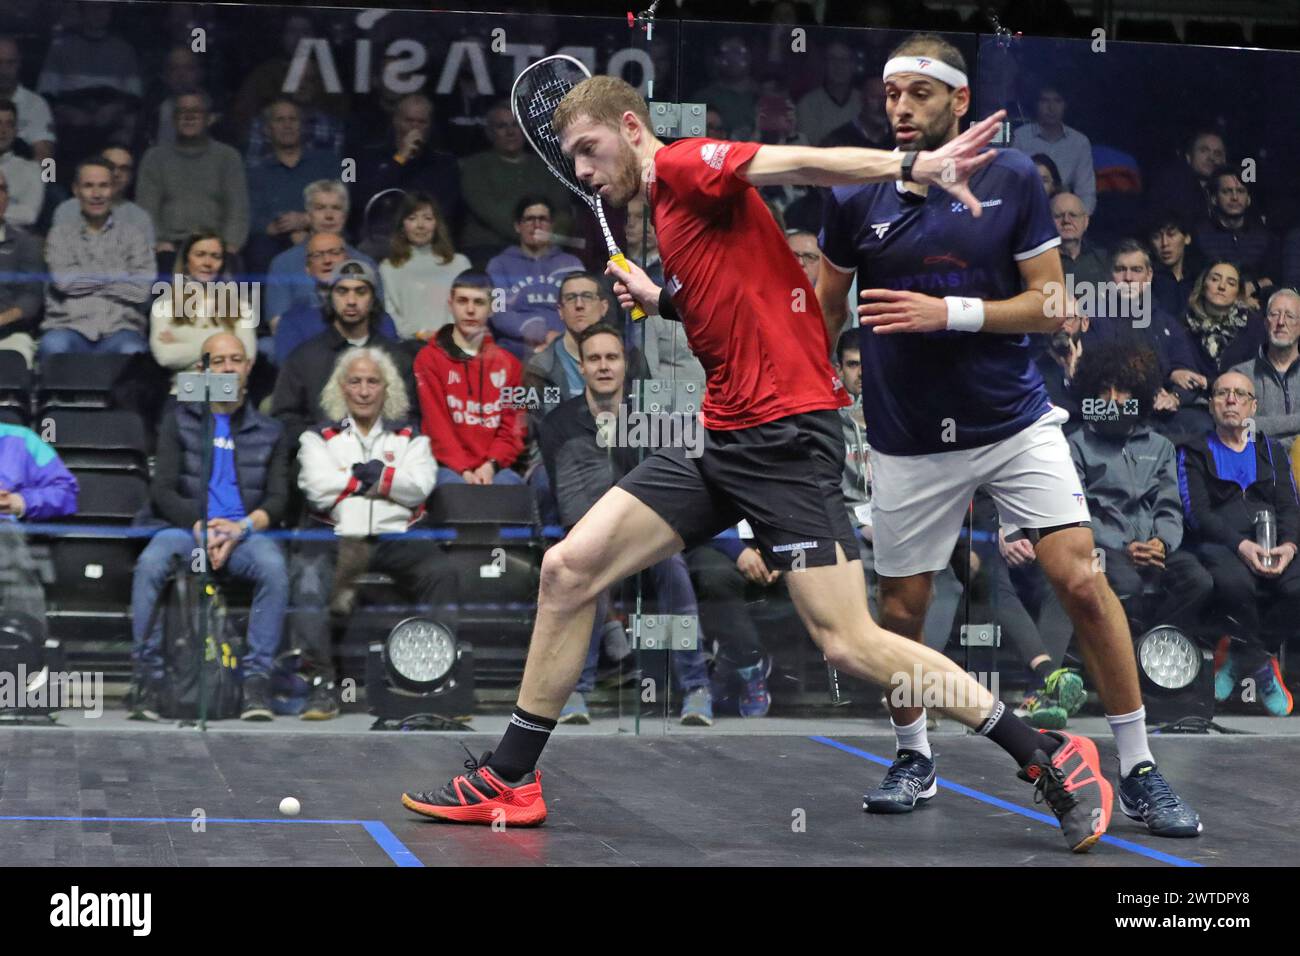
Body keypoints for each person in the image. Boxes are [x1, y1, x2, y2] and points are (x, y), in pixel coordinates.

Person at [401, 61, 1115, 852]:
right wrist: (664, 299)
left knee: (847, 641)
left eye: (589, 149)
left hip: (786, 438)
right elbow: (738, 297)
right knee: (569, 570)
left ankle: (1045, 753)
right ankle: (510, 777)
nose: (582, 170)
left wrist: (912, 165)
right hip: (724, 435)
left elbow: (796, 160)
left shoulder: (683, 164)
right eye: (570, 158)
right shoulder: (669, 208)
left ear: (631, 128)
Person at [815, 33, 1196, 836]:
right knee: (901, 612)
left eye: (920, 93)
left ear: (960, 101)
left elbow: (1051, 304)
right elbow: (825, 305)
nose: (901, 108)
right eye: (892, 94)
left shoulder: (1014, 176)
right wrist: (811, 391)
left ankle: (1138, 767)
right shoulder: (855, 191)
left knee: (1081, 579)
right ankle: (914, 755)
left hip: (1012, 420)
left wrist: (949, 313)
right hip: (906, 433)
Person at [541, 323, 715, 725]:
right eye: (594, 359)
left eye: (612, 358)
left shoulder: (650, 419)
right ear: (581, 367)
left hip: (644, 533)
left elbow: (669, 491)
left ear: (625, 364)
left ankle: (697, 688)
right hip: (586, 533)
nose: (604, 366)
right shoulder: (559, 424)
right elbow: (571, 502)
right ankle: (574, 690)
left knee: (672, 566)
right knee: (587, 570)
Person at [128, 332, 289, 722]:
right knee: (152, 562)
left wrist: (239, 530)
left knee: (274, 568)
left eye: (235, 359)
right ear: (202, 371)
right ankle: (148, 678)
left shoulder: (271, 431)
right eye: (218, 361)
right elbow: (163, 491)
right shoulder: (179, 421)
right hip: (187, 529)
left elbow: (278, 500)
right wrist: (200, 526)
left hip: (243, 534)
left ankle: (255, 683)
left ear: (249, 367)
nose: (228, 368)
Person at [291, 347, 450, 720]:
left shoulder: (410, 437)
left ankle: (434, 680)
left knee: (442, 573)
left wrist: (362, 479)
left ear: (386, 388)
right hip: (337, 535)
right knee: (308, 577)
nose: (364, 391)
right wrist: (380, 482)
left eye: (373, 382)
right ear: (342, 388)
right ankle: (321, 685)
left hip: (396, 535)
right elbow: (316, 488)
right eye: (355, 381)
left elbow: (420, 487)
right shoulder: (317, 437)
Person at [1068, 343, 1213, 639]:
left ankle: (1147, 648)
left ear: (1138, 395)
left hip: (1152, 546)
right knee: (1127, 585)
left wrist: (1162, 542)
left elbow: (1169, 506)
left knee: (1199, 581)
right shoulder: (1076, 445)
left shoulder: (1160, 447)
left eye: (1122, 390)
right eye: (1104, 390)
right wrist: (1123, 545)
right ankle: (1125, 654)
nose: (1113, 399)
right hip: (1103, 546)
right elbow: (1077, 513)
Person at [1178, 370, 1300, 717]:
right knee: (1236, 583)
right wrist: (1241, 546)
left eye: (1240, 394)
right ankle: (1262, 664)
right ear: (1211, 405)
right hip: (1221, 545)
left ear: (1253, 406)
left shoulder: (1272, 451)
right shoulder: (1194, 450)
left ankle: (1240, 653)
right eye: (1222, 393)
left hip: (1273, 544)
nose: (1231, 400)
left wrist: (1289, 546)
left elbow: (1290, 507)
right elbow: (1197, 513)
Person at [271, 259, 410, 448]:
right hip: (320, 455)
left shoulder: (396, 358)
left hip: (386, 456)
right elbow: (284, 418)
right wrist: (323, 442)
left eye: (361, 292)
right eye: (342, 291)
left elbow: (411, 417)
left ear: (373, 299)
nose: (351, 301)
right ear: (330, 297)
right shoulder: (303, 358)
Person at [413, 271, 525, 486]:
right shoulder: (428, 359)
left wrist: (491, 465)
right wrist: (463, 469)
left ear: (492, 307)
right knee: (453, 490)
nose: (470, 310)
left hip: (495, 467)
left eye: (479, 302)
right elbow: (436, 427)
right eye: (462, 301)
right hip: (446, 467)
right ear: (450, 304)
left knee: (512, 488)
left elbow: (514, 428)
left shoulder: (512, 364)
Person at [40, 157, 152, 359]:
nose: (97, 194)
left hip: (121, 330)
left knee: (133, 350)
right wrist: (117, 276)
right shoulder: (59, 235)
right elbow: (64, 283)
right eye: (88, 186)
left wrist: (85, 277)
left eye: (103, 186)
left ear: (114, 189)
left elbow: (141, 290)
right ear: (76, 190)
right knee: (53, 345)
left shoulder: (134, 236)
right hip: (68, 327)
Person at [136, 91, 249, 266]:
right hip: (170, 247)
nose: (188, 117)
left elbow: (237, 209)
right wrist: (158, 242)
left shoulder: (228, 157)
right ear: (174, 119)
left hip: (217, 245)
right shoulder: (154, 158)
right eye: (182, 111)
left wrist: (230, 244)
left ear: (209, 119)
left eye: (196, 111)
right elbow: (146, 209)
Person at [458, 100, 571, 266]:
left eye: (516, 125)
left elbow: (562, 212)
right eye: (501, 126)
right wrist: (533, 236)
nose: (510, 132)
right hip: (488, 249)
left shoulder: (546, 167)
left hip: (544, 249)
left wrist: (548, 239)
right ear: (489, 133)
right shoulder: (474, 166)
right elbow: (491, 213)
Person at [150, 231, 257, 393]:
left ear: (223, 264)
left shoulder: (241, 307)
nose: (208, 263)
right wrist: (226, 344)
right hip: (183, 393)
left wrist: (183, 344)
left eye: (215, 256)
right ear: (186, 261)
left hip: (229, 392)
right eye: (200, 255)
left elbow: (247, 356)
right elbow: (165, 357)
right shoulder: (163, 306)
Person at [263, 180, 379, 327]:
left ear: (344, 216)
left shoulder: (366, 264)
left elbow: (377, 318)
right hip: (301, 339)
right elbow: (278, 324)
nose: (329, 215)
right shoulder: (284, 263)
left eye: (336, 208)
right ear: (308, 215)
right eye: (320, 208)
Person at [271, 232, 399, 366]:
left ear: (347, 260)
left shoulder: (381, 320)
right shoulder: (292, 321)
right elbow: (290, 370)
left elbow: (392, 366)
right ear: (308, 268)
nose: (327, 260)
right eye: (317, 255)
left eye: (335, 253)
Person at [243, 98, 338, 274]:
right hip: (274, 243)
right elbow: (250, 215)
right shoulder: (255, 172)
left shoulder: (329, 162)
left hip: (323, 234)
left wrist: (308, 220)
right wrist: (275, 227)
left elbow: (344, 202)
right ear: (267, 130)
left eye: (293, 119)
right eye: (280, 120)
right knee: (259, 250)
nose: (287, 125)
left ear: (302, 126)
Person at [0, 418, 77, 632]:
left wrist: (20, 502)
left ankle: (23, 636)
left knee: (4, 536)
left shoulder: (21, 440)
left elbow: (65, 492)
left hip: (4, 532)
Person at [485, 196, 584, 360]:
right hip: (514, 352)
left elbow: (582, 310)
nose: (537, 225)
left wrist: (560, 338)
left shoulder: (571, 264)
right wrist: (535, 331)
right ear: (518, 226)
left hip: (564, 349)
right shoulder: (499, 265)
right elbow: (498, 312)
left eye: (543, 219)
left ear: (552, 225)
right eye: (529, 219)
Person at [378, 192, 470, 342]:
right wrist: (419, 334)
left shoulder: (459, 264)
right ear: (402, 225)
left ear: (437, 224)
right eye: (412, 218)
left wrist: (445, 335)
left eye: (427, 218)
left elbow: (467, 307)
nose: (420, 225)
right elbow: (390, 313)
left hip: (453, 343)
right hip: (409, 346)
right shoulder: (388, 268)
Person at [1229, 287, 1300, 451]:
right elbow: (1239, 427)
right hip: (1257, 462)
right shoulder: (1240, 375)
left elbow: (1252, 426)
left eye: (1290, 316)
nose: (1281, 322)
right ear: (1265, 322)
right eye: (1274, 314)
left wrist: (1262, 427)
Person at [1011, 81, 1095, 214]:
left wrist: (1080, 219)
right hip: (1029, 212)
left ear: (1065, 105)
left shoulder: (1079, 142)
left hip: (1065, 214)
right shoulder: (1020, 137)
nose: (1051, 107)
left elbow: (1086, 192)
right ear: (1036, 104)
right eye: (1045, 101)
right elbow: (1013, 185)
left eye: (1057, 101)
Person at [51, 146, 155, 247]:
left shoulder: (140, 218)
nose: (116, 173)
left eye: (124, 169)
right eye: (110, 166)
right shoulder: (68, 209)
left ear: (131, 177)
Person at [0, 168, 43, 367]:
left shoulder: (26, 243)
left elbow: (31, 297)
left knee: (17, 354)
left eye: (1, 189)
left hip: (8, 333)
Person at [0, 36, 55, 162]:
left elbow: (46, 154)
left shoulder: (36, 104)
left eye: (10, 63)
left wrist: (42, 177)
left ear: (19, 64)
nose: (3, 70)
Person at [1051, 192, 1109, 289]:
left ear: (1086, 222)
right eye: (1058, 216)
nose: (1066, 220)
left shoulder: (1104, 260)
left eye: (1073, 215)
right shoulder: (1036, 262)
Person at [0, 99, 42, 228]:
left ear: (16, 131)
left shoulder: (32, 169)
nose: (3, 130)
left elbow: (29, 214)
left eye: (9, 124)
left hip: (11, 238)